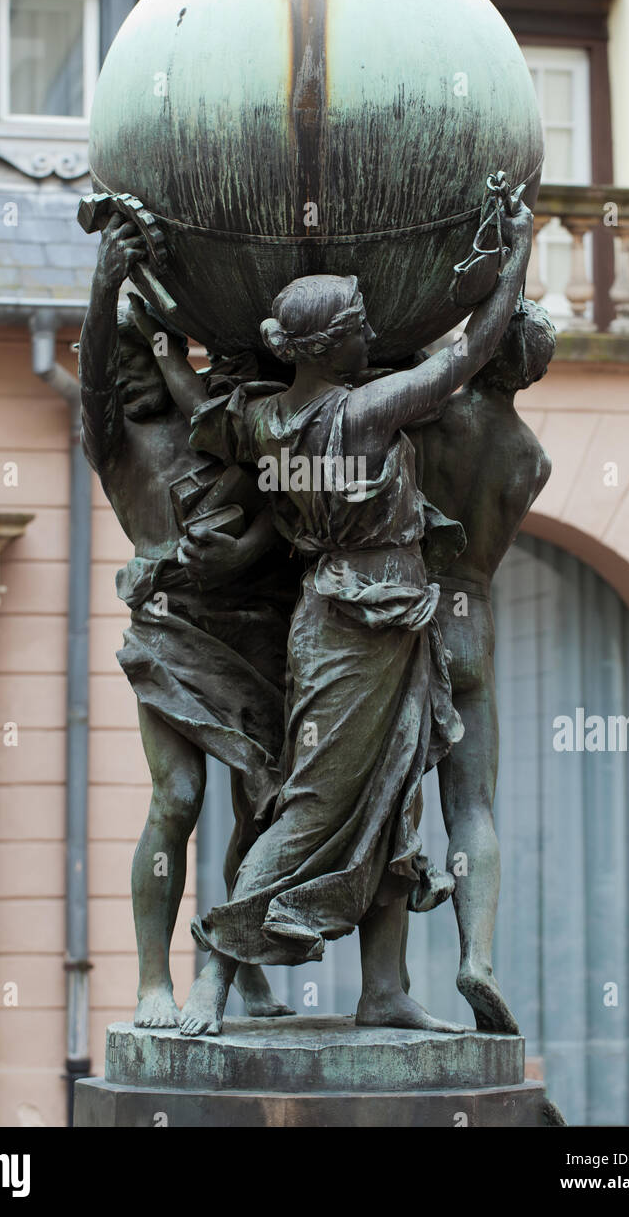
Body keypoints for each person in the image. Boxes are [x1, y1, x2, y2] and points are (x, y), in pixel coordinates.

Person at [171, 188, 534, 1037]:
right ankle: (213, 979)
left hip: (358, 615)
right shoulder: (364, 411)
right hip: (367, 622)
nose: (373, 334)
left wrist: (160, 352)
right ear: (334, 346)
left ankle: (385, 992)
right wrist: (515, 251)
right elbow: (471, 352)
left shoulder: (265, 418)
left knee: (390, 798)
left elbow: (202, 418)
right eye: (362, 325)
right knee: (314, 807)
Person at [78, 212, 297, 1028]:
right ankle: (151, 982)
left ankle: (235, 968)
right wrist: (107, 287)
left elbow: (286, 493)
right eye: (117, 361)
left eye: (148, 354)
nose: (129, 374)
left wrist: (248, 553)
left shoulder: (219, 423)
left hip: (260, 628)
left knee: (263, 807)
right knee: (175, 797)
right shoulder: (117, 445)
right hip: (170, 633)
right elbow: (95, 378)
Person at [410, 297, 556, 1034]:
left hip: (414, 609)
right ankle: (479, 958)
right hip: (477, 615)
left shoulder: (434, 411)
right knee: (472, 805)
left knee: (392, 798)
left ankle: (390, 981)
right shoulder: (532, 459)